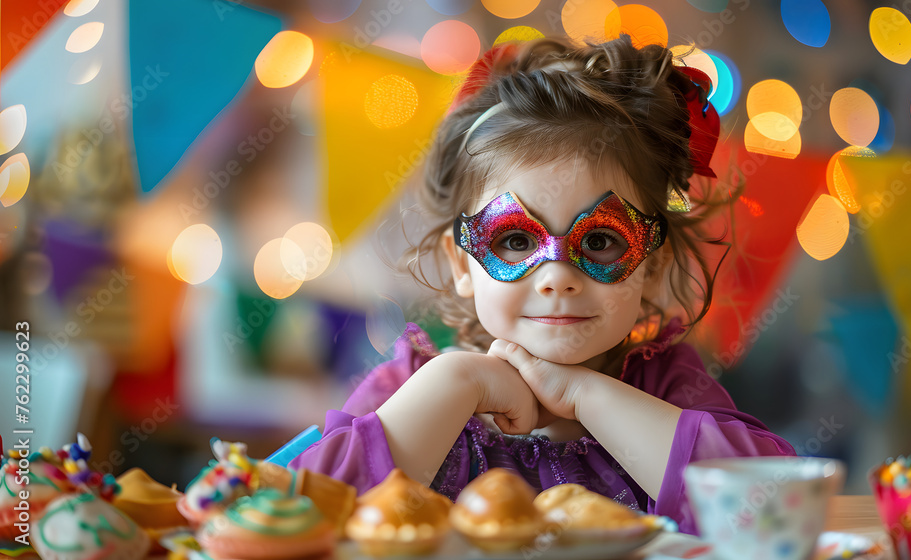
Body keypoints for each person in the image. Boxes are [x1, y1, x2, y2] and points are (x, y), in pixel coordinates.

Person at [290, 35, 794, 534]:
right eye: (514, 239)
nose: (556, 277)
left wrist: (586, 397)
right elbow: (298, 515)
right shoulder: (411, 384)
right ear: (462, 265)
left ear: (653, 266)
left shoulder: (667, 386)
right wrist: (455, 385)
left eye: (599, 240)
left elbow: (777, 508)